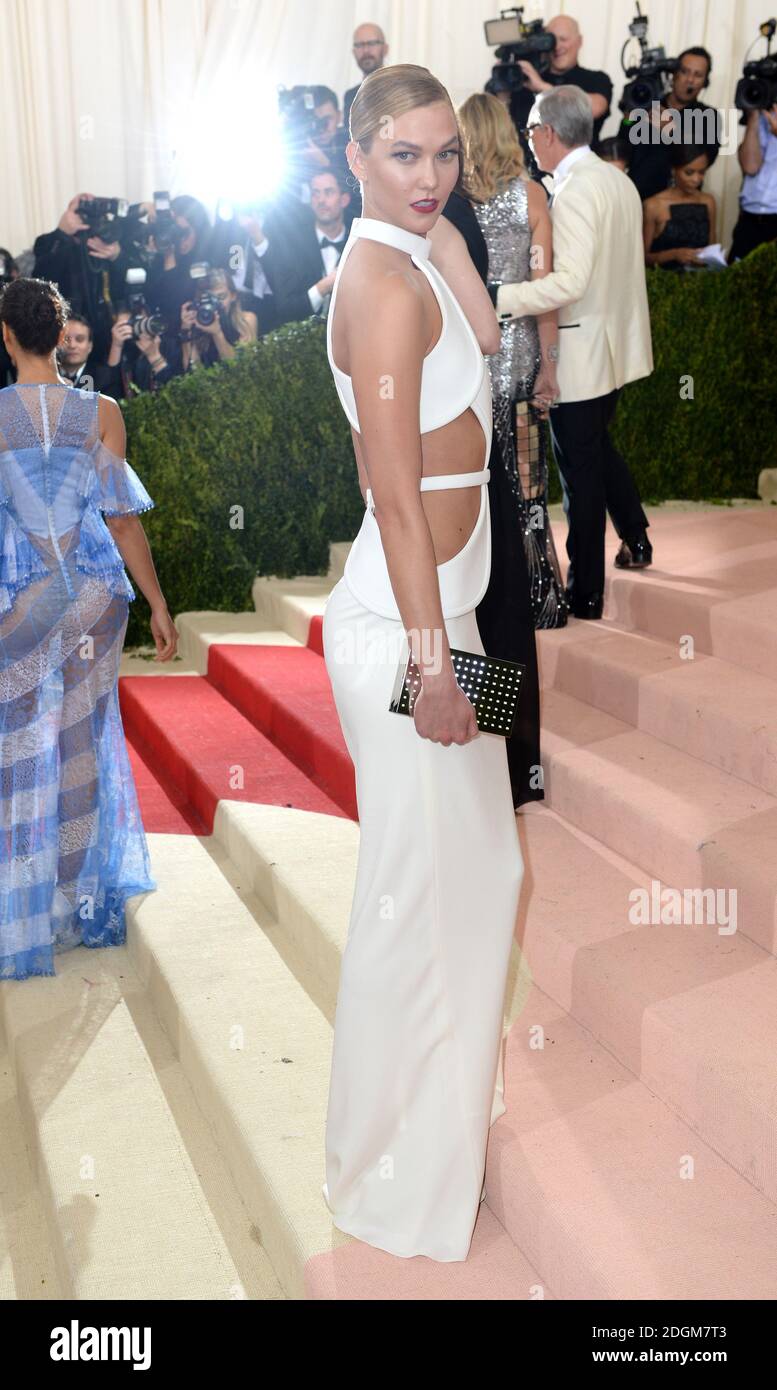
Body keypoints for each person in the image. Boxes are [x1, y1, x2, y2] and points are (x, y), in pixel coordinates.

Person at [321, 63, 524, 1262]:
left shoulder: (418, 255)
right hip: (409, 638)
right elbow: (396, 501)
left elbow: (495, 351)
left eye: (446, 153)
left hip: (448, 622)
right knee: (414, 899)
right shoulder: (379, 284)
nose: (431, 176)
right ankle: (387, 1175)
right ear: (355, 155)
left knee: (484, 872)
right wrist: (434, 668)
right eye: (405, 157)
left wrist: (447, 236)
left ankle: (437, 1126)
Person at [0, 277, 178, 981]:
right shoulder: (100, 410)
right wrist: (159, 604)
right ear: (60, 331)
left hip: (26, 601)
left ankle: (24, 912)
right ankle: (75, 906)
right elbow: (122, 518)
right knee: (81, 742)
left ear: (7, 336)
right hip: (97, 596)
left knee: (16, 749)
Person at [493, 87, 654, 617]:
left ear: (550, 133)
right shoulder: (616, 179)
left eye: (532, 130)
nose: (529, 141)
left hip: (582, 352)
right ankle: (636, 535)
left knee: (579, 477)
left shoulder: (577, 189)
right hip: (613, 349)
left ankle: (587, 591)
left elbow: (569, 283)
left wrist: (501, 298)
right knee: (597, 452)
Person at [459, 91, 568, 631]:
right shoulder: (532, 197)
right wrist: (550, 366)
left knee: (476, 476)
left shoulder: (451, 203)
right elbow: (544, 290)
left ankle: (487, 595)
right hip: (521, 350)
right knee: (530, 477)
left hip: (469, 358)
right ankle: (541, 594)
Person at [510, 12, 613, 169]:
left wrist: (541, 87)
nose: (557, 46)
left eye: (563, 39)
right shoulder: (525, 81)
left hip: (578, 175)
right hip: (527, 177)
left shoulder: (596, 79)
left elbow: (595, 108)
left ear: (580, 41)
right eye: (551, 40)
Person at [624, 47, 721, 202]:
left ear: (705, 82)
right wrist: (628, 116)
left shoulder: (708, 116)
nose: (690, 80)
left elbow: (707, 159)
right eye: (684, 72)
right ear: (674, 74)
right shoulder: (647, 104)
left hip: (679, 209)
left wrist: (671, 129)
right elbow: (624, 150)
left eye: (698, 75)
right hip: (636, 200)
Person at [643, 145, 715, 271]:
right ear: (673, 170)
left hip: (700, 281)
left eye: (702, 172)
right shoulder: (654, 205)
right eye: (689, 172)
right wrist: (674, 254)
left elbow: (712, 248)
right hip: (663, 282)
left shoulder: (708, 202)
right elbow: (642, 258)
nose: (696, 179)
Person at [728, 103, 777, 262]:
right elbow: (750, 166)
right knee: (737, 281)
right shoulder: (764, 117)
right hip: (750, 219)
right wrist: (753, 117)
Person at [343, 22, 389, 129]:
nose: (366, 50)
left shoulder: (400, 89)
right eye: (359, 45)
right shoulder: (351, 96)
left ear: (385, 49)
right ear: (354, 52)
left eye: (372, 43)